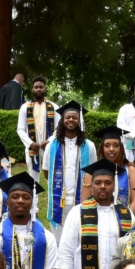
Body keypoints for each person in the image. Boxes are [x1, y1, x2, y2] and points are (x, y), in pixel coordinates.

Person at [55, 160, 134, 269]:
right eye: (98, 182)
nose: (102, 186)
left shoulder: (127, 215)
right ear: (91, 186)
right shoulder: (77, 213)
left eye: (107, 182)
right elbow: (66, 252)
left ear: (114, 186)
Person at [40, 101, 95, 239]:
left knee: (78, 240)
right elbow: (46, 171)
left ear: (79, 121)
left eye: (74, 117)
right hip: (59, 201)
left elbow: (92, 173)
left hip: (81, 199)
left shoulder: (89, 146)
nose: (71, 120)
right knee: (59, 242)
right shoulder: (51, 145)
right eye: (68, 117)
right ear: (62, 120)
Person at [16, 76, 53, 174]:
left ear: (45, 89)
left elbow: (59, 129)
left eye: (41, 87)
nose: (38, 89)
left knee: (51, 178)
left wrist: (49, 141)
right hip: (32, 148)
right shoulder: (25, 107)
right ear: (32, 89)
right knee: (33, 180)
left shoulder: (53, 107)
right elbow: (20, 129)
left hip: (49, 147)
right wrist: (30, 143)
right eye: (36, 87)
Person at [93, 124, 132, 209]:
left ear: (121, 148)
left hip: (124, 219)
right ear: (102, 148)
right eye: (107, 145)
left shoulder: (130, 170)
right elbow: (86, 202)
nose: (111, 149)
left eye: (116, 145)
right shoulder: (92, 171)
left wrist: (125, 218)